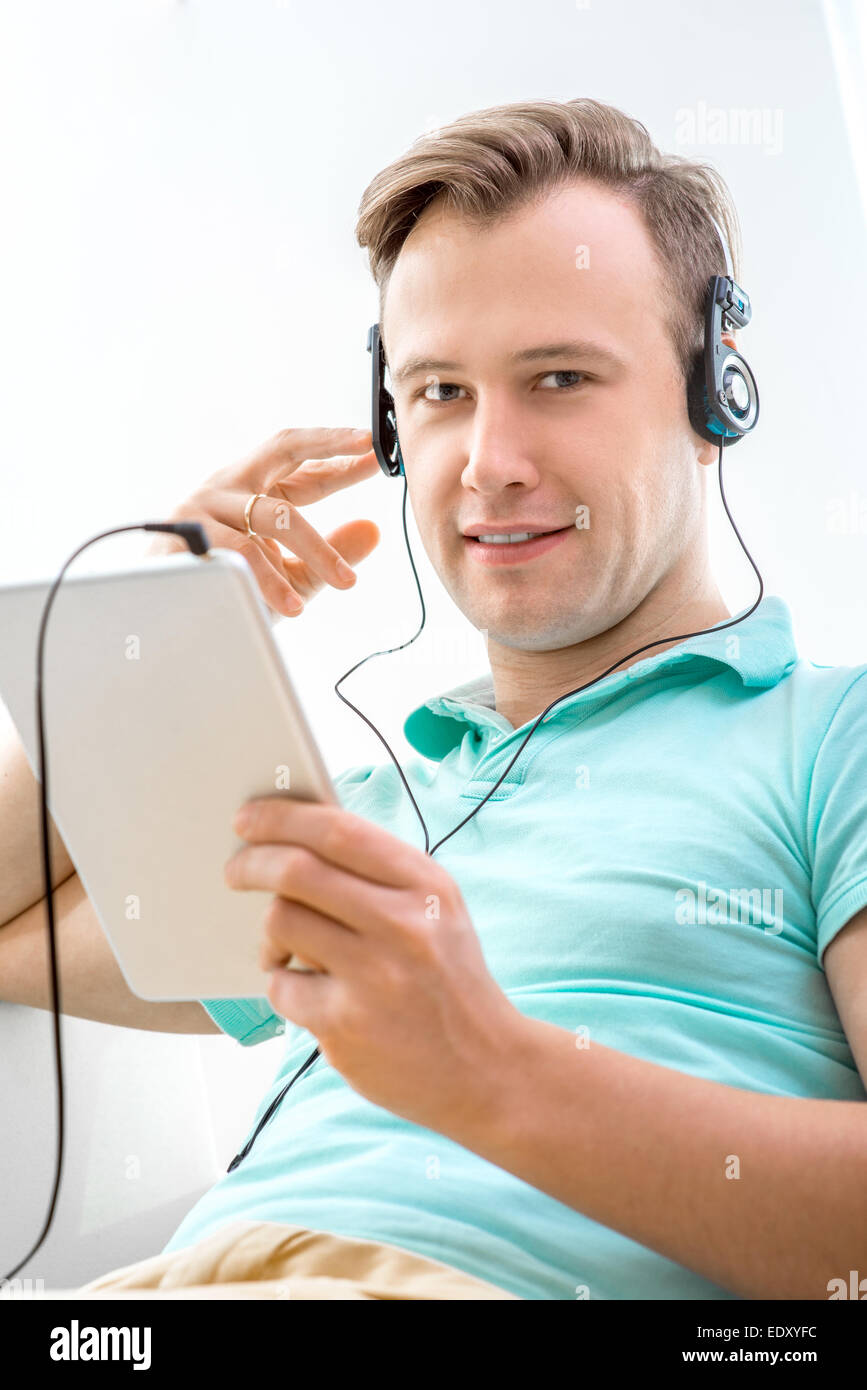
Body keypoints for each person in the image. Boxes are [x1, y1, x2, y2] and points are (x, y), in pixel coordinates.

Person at [2, 97, 866, 1302]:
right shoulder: (374, 811)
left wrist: (487, 1067)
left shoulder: (838, 742)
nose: (487, 460)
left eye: (559, 376)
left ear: (715, 399)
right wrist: (147, 632)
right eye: (441, 392)